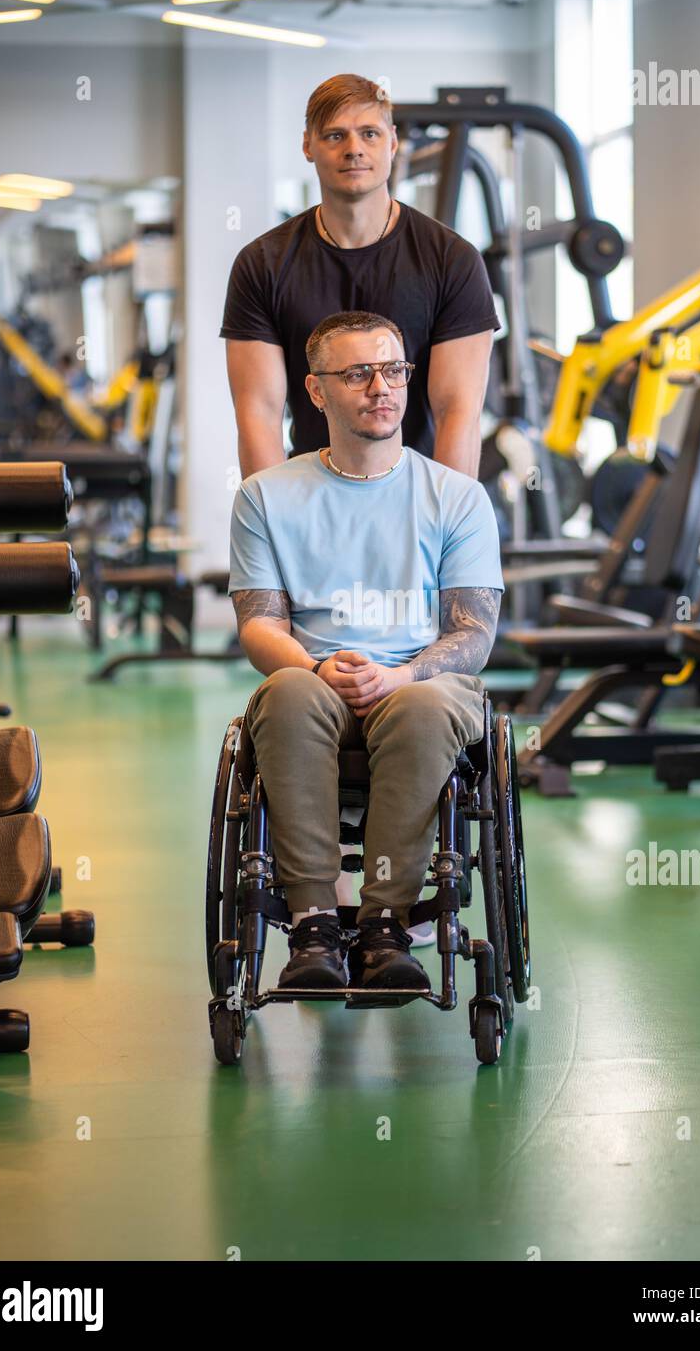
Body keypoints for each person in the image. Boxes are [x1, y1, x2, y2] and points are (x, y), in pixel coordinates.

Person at [228, 310, 504, 993]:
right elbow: (260, 624)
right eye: (357, 374)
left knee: (420, 709)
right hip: (315, 678)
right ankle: (315, 925)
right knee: (285, 695)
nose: (381, 388)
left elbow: (473, 632)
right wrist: (317, 666)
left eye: (393, 371)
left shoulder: (457, 499)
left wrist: (403, 673)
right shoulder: (266, 497)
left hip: (420, 680)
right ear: (317, 391)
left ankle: (385, 925)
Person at [221, 72, 500, 481]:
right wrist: (274, 523)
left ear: (392, 142)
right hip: (310, 498)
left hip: (419, 497)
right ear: (307, 146)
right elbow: (259, 414)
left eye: (369, 134)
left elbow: (457, 411)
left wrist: (446, 527)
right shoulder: (262, 264)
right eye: (335, 136)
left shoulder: (452, 261)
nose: (354, 149)